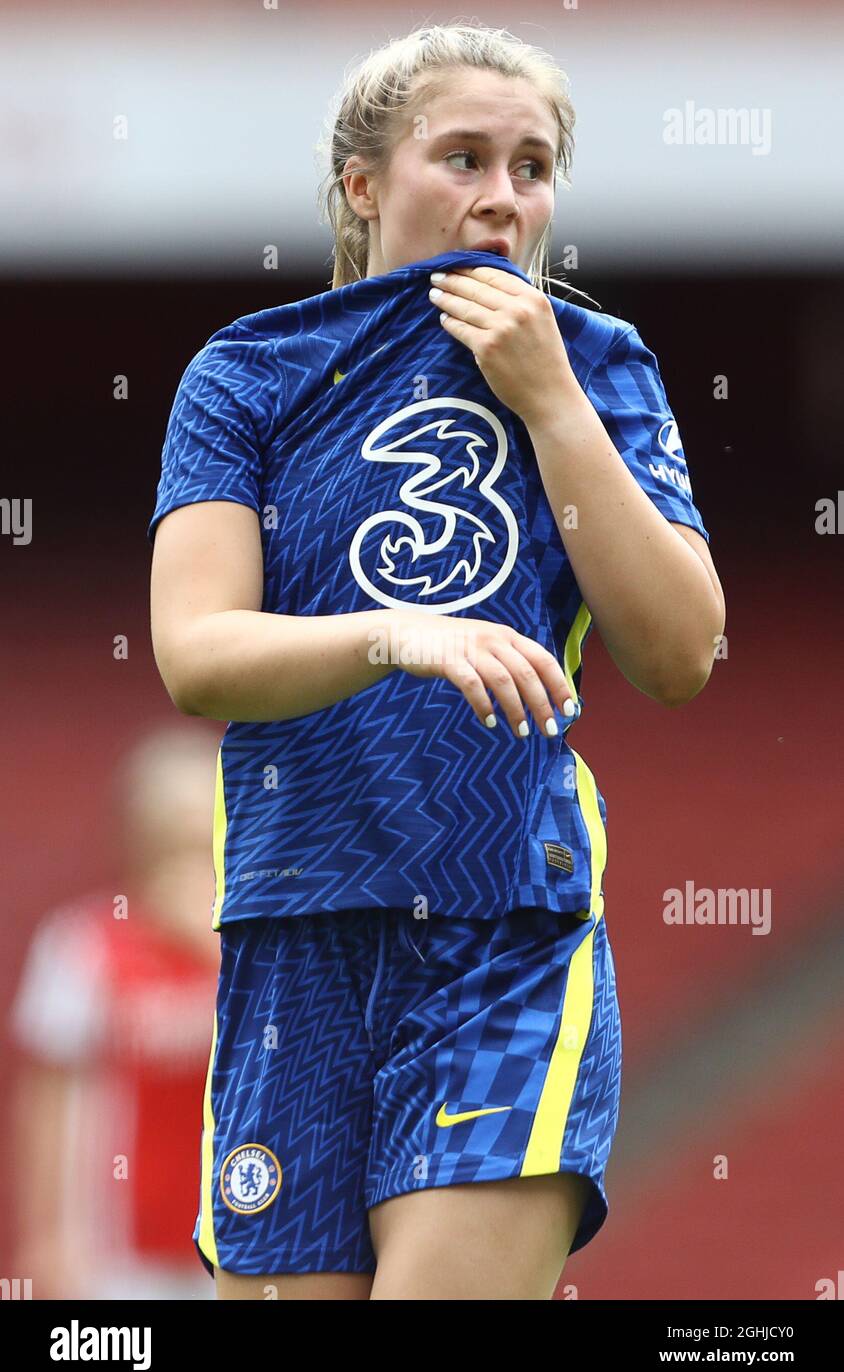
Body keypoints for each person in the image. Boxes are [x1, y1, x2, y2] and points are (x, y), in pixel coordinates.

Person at [147, 21, 725, 1301]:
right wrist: (395, 635)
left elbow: (681, 649)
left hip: (502, 924)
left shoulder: (600, 364)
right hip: (294, 937)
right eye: (462, 157)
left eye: (531, 167)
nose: (501, 198)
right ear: (363, 183)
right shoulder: (243, 374)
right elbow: (195, 654)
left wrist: (549, 401)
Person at [8, 725, 221, 1300]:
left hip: (234, 1242)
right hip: (118, 1254)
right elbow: (48, 1101)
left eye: (200, 834)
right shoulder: (85, 943)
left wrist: (213, 948)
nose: (186, 857)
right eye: (169, 836)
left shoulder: (254, 952)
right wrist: (50, 1234)